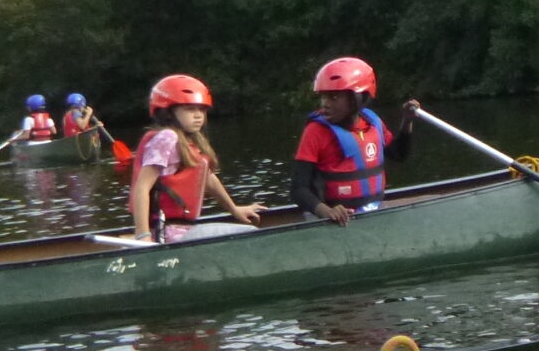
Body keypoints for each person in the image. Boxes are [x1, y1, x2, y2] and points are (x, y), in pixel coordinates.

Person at [126, 74, 265, 243]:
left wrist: (234, 210)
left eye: (202, 109)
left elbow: (207, 178)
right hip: (167, 232)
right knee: (250, 233)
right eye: (189, 109)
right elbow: (142, 187)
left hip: (184, 229)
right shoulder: (167, 138)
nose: (198, 115)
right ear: (168, 112)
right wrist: (143, 235)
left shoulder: (191, 140)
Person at [290, 57, 420, 224]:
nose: (325, 104)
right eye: (323, 97)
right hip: (331, 220)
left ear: (357, 99)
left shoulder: (373, 123)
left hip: (373, 211)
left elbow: (398, 154)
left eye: (334, 98)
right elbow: (298, 189)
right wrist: (327, 211)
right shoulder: (315, 131)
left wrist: (407, 121)